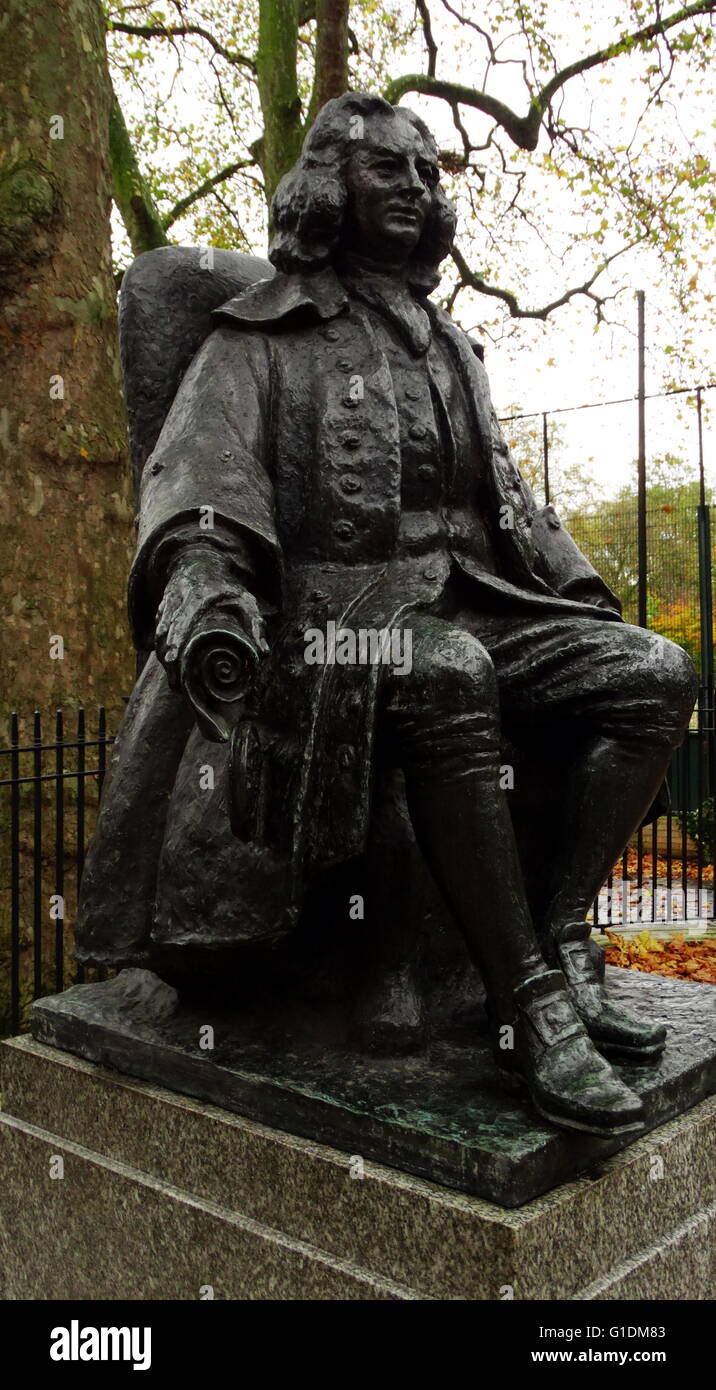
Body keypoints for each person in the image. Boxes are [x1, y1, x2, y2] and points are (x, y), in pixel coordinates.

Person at [78, 92, 697, 1137]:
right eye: (386, 171)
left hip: (474, 601)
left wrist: (580, 591)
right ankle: (531, 1014)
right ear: (328, 188)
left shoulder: (450, 347)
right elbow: (202, 489)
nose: (413, 189)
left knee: (652, 673)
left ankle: (558, 938)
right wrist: (204, 582)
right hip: (329, 626)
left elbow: (508, 503)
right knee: (447, 671)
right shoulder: (258, 335)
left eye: (424, 174)